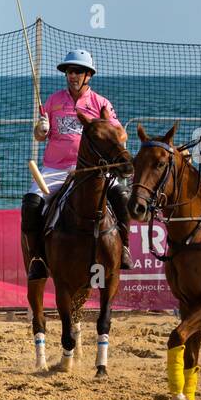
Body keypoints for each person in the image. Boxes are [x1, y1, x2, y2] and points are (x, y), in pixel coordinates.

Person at [27, 49, 132, 277]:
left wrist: (103, 123)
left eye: (77, 71)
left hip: (92, 170)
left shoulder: (101, 102)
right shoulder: (53, 100)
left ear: (88, 75)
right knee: (31, 203)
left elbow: (121, 136)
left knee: (122, 198)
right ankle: (37, 258)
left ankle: (124, 247)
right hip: (55, 168)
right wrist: (40, 128)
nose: (72, 76)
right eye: (69, 71)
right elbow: (39, 137)